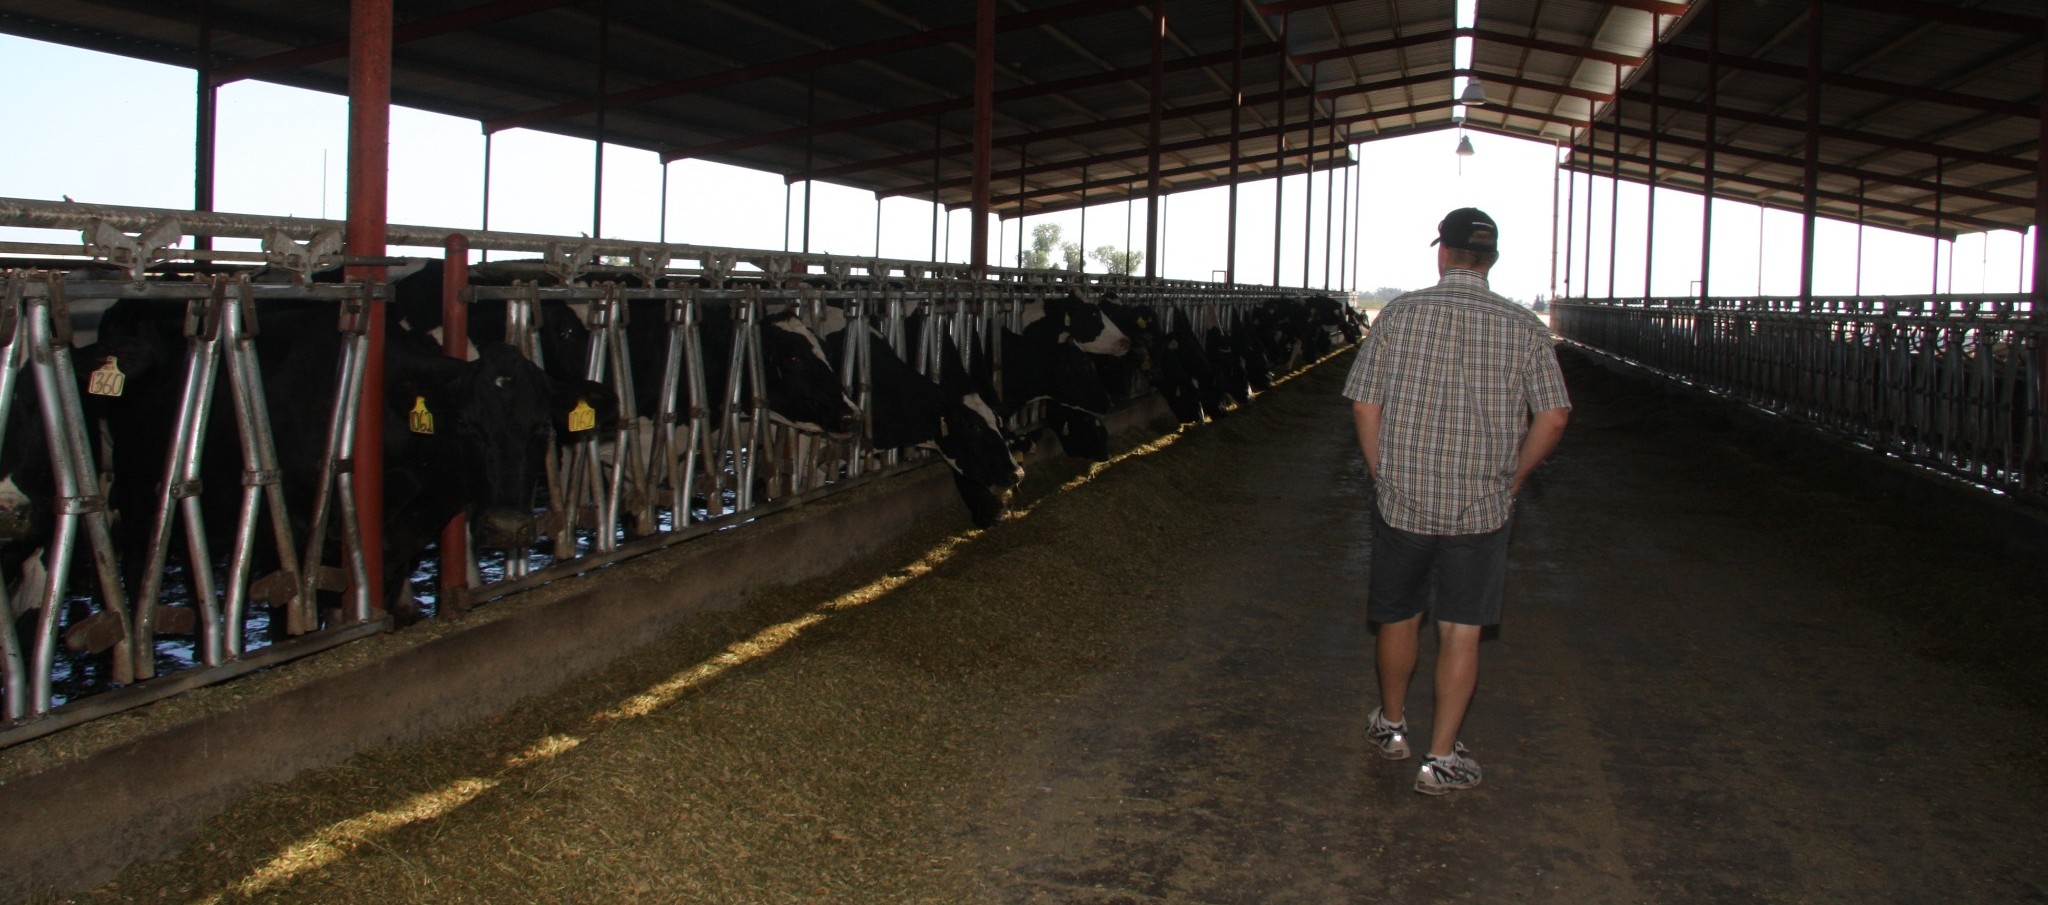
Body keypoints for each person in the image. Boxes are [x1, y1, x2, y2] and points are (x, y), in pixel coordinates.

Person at [1343, 207, 1571, 796]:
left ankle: (1391, 728)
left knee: (1398, 614)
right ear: (1490, 260)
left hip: (1405, 500)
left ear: (1442, 253)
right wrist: (1513, 479)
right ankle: (1441, 759)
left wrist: (1380, 472)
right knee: (1461, 628)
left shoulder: (1398, 315)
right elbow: (1554, 416)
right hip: (1481, 507)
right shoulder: (1524, 326)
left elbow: (1365, 405)